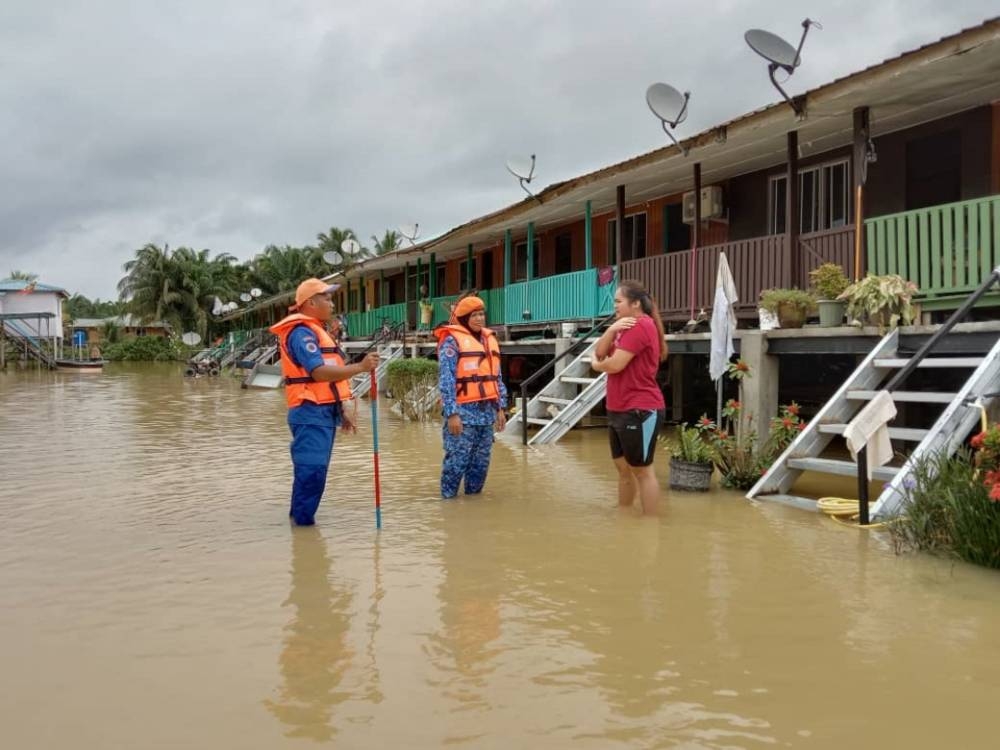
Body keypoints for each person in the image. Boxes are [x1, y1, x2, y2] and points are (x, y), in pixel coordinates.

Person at [270, 278, 378, 526]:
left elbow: (330, 381)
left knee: (315, 472)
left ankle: (301, 526)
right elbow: (318, 372)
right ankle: (303, 531)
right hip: (309, 412)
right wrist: (360, 367)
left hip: (325, 412)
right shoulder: (301, 333)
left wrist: (342, 411)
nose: (332, 304)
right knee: (312, 472)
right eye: (327, 298)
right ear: (310, 303)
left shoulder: (318, 331)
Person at [591, 279, 668, 516]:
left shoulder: (642, 326)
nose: (614, 305)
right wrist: (611, 329)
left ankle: (649, 525)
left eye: (618, 301)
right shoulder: (624, 326)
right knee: (623, 468)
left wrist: (596, 366)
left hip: (640, 408)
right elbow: (600, 351)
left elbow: (612, 364)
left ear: (635, 303)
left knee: (642, 470)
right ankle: (624, 515)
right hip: (618, 407)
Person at [435, 295, 507, 499]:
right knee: (456, 462)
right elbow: (446, 379)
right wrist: (451, 414)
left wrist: (501, 407)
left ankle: (472, 510)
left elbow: (497, 377)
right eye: (474, 315)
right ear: (464, 318)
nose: (479, 318)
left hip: (486, 415)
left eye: (481, 314)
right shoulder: (451, 342)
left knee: (480, 466)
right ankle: (448, 506)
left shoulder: (489, 339)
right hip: (462, 414)